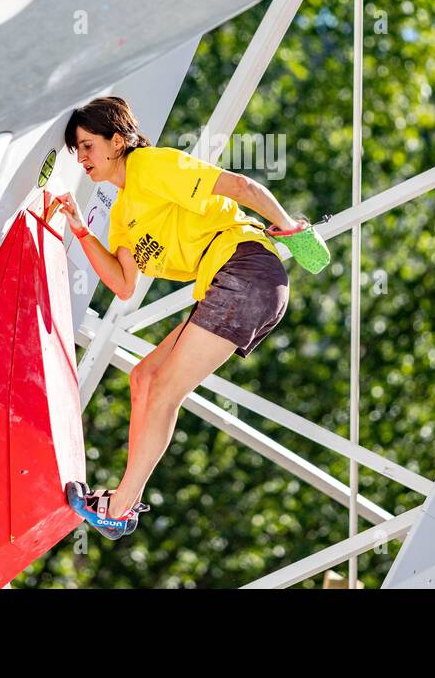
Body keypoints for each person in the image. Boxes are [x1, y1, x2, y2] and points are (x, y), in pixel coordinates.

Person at [57, 96, 303, 540]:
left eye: (88, 145)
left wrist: (289, 226)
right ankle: (124, 501)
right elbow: (124, 283)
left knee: (165, 390)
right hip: (224, 285)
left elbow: (242, 187)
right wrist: (79, 229)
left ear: (118, 141)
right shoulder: (123, 214)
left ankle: (119, 506)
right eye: (77, 150)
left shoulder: (151, 166)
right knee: (144, 379)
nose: (82, 158)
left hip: (244, 270)